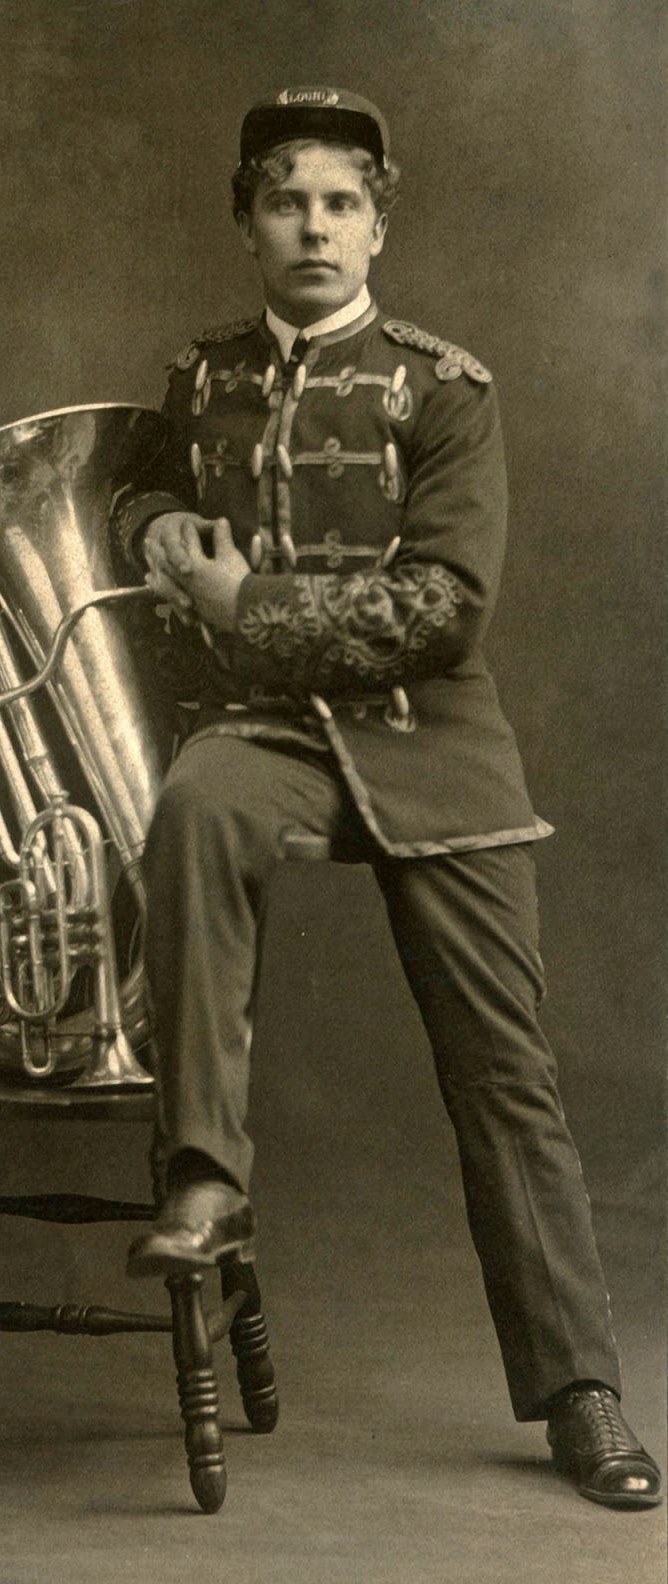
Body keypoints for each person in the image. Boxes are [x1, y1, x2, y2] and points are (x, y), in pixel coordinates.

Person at [117, 86, 661, 1510]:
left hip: (429, 738)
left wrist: (245, 599)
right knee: (192, 812)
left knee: (503, 1071)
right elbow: (127, 491)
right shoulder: (197, 375)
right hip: (262, 730)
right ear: (246, 221)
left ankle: (579, 1391)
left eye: (340, 200)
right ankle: (202, 1178)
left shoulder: (447, 388)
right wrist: (152, 523)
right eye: (286, 199)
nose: (313, 225)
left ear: (376, 221)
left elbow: (444, 608)